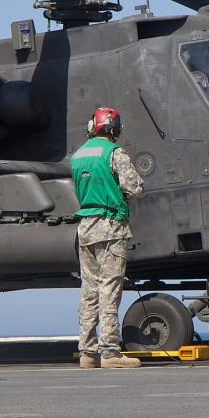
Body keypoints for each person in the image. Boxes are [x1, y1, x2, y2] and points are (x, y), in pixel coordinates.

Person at [70, 107, 146, 369]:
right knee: (109, 290)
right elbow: (135, 188)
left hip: (86, 228)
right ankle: (110, 352)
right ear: (114, 128)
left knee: (89, 290)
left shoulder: (78, 155)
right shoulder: (115, 153)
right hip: (111, 227)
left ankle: (87, 353)